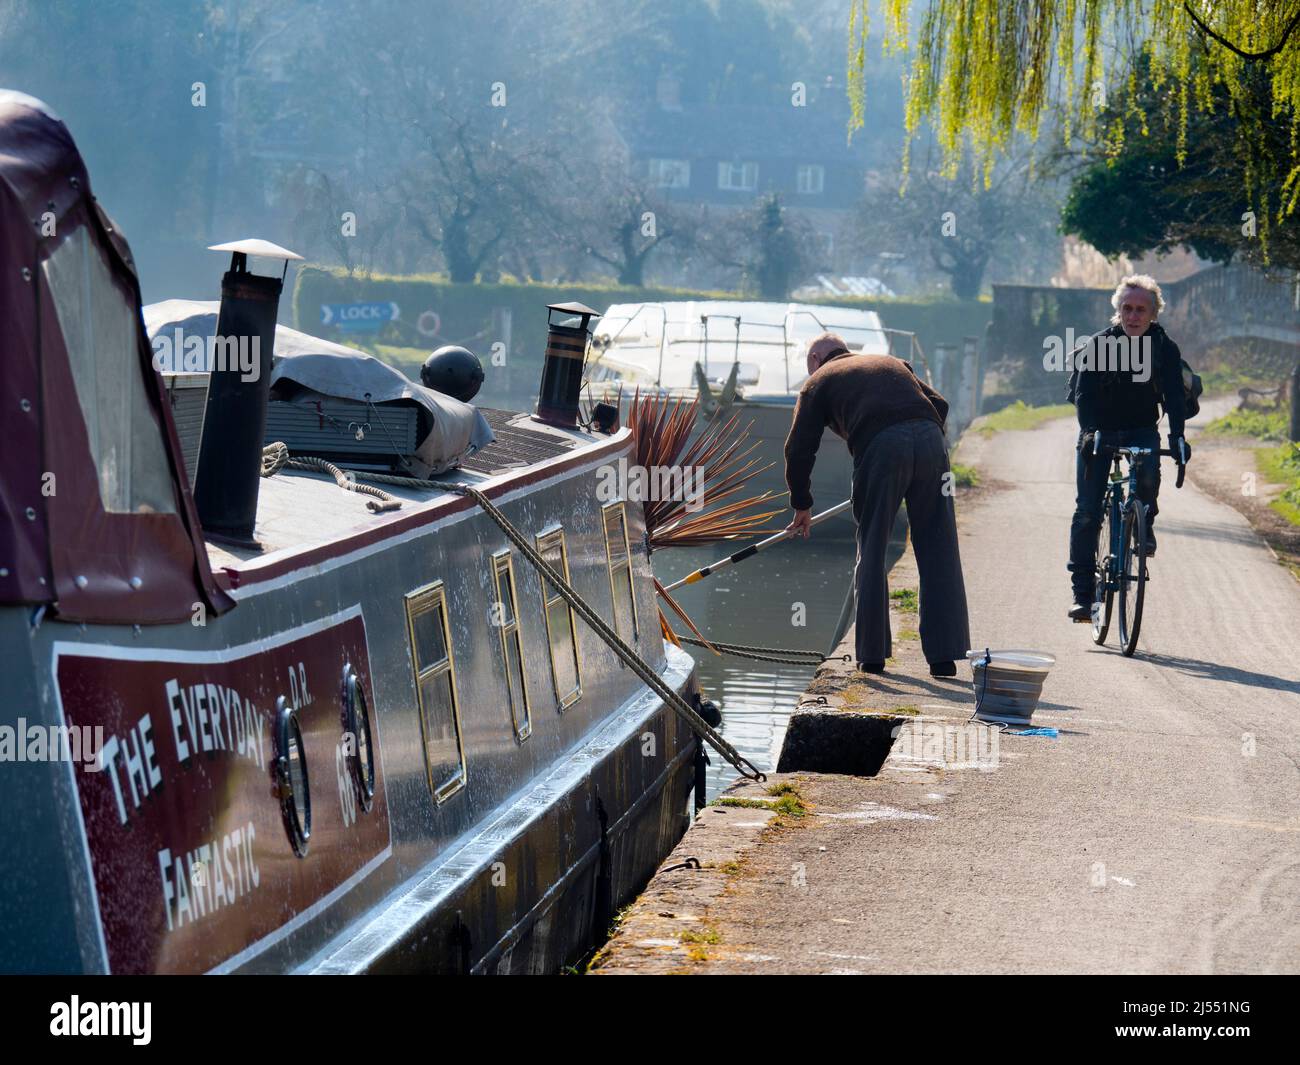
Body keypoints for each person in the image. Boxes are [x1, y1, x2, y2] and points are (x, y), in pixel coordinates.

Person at [783, 333, 971, 677]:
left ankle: (872, 657)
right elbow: (939, 404)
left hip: (882, 447)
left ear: (814, 359)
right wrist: (922, 442)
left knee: (872, 547)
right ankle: (944, 658)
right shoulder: (891, 362)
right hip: (931, 441)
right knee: (939, 546)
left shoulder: (818, 382)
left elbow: (798, 450)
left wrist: (802, 504)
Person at [1066, 275, 1188, 621]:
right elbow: (1084, 396)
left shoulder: (1164, 348)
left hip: (1141, 428)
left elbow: (1175, 398)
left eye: (1141, 310)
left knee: (1148, 476)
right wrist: (1090, 432)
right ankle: (1083, 593)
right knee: (1088, 510)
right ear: (1118, 311)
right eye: (1127, 308)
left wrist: (1178, 437)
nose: (1133, 316)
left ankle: (1144, 520)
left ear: (1153, 314)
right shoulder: (1099, 345)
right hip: (1100, 429)